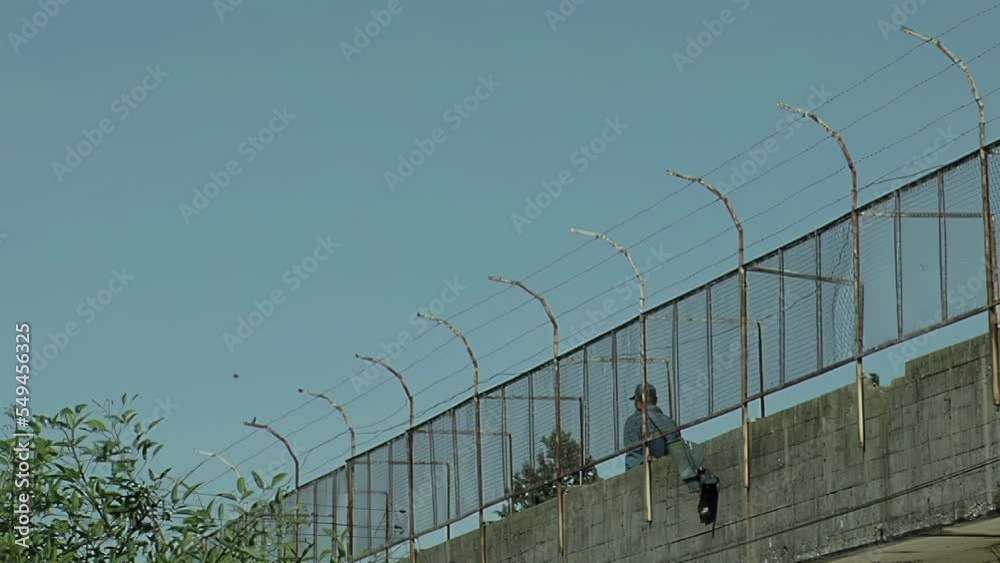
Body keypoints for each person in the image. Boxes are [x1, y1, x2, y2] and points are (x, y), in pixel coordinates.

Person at [623, 383, 720, 524]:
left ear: (639, 402)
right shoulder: (669, 421)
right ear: (655, 400)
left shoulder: (633, 422)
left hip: (645, 473)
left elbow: (633, 457)